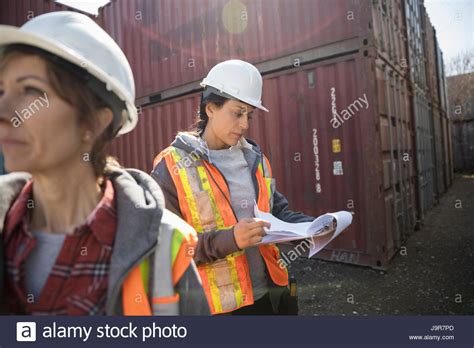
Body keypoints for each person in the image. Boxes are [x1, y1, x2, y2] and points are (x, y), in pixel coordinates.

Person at [0, 11, 209, 315]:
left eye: (31, 91)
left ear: (96, 122)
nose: (4, 111)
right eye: (1, 90)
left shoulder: (164, 245)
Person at [151, 59, 319, 315]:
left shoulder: (255, 159)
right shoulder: (171, 167)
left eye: (249, 115)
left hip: (271, 295)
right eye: (237, 113)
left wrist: (314, 227)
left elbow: (277, 212)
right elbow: (166, 248)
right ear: (210, 108)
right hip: (218, 309)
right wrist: (231, 239)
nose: (245, 124)